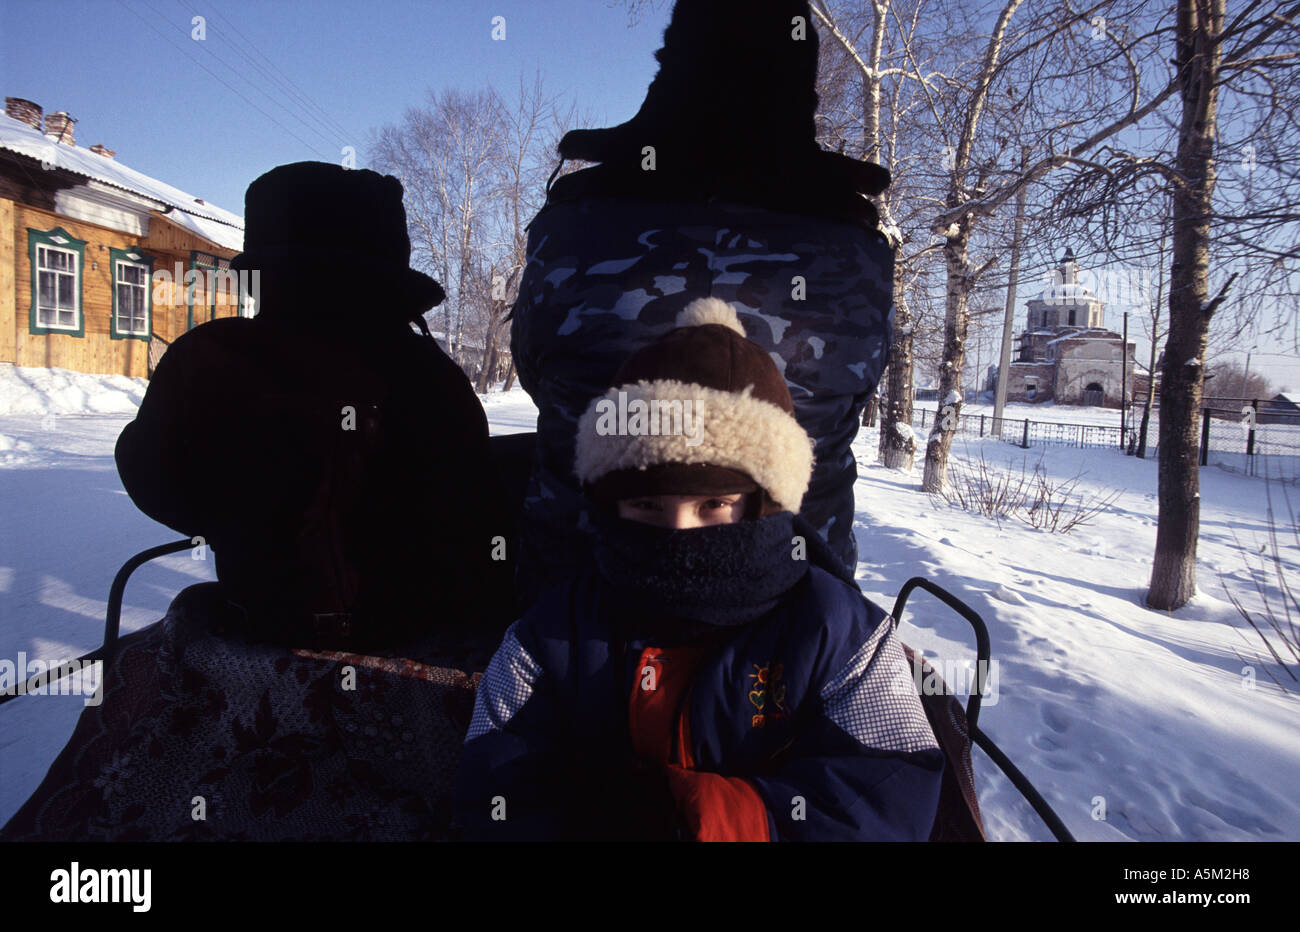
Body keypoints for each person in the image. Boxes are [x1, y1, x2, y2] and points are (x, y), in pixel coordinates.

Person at [1, 162, 511, 841]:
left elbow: (159, 484)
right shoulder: (434, 375)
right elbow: (472, 506)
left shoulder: (212, 356)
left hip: (259, 623)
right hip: (424, 633)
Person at [454, 298, 943, 841]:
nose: (679, 533)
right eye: (647, 506)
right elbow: (494, 792)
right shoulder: (552, 636)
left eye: (713, 505)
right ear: (610, 507)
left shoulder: (837, 634)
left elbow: (892, 793)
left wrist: (708, 819)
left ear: (765, 503)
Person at [509, 0, 895, 609]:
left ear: (672, 68)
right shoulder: (857, 247)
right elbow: (851, 406)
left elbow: (537, 375)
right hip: (797, 610)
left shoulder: (572, 227)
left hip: (571, 603)